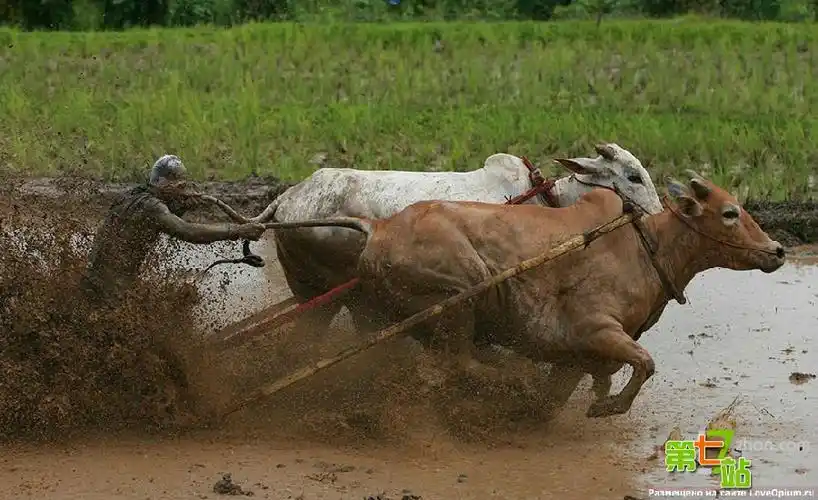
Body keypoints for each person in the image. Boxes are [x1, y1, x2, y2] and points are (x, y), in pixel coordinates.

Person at [79, 154, 266, 305]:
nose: (183, 190)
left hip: (94, 279)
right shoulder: (153, 207)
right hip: (112, 290)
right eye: (180, 186)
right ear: (166, 185)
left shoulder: (132, 196)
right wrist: (238, 230)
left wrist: (183, 206)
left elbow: (153, 222)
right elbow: (188, 231)